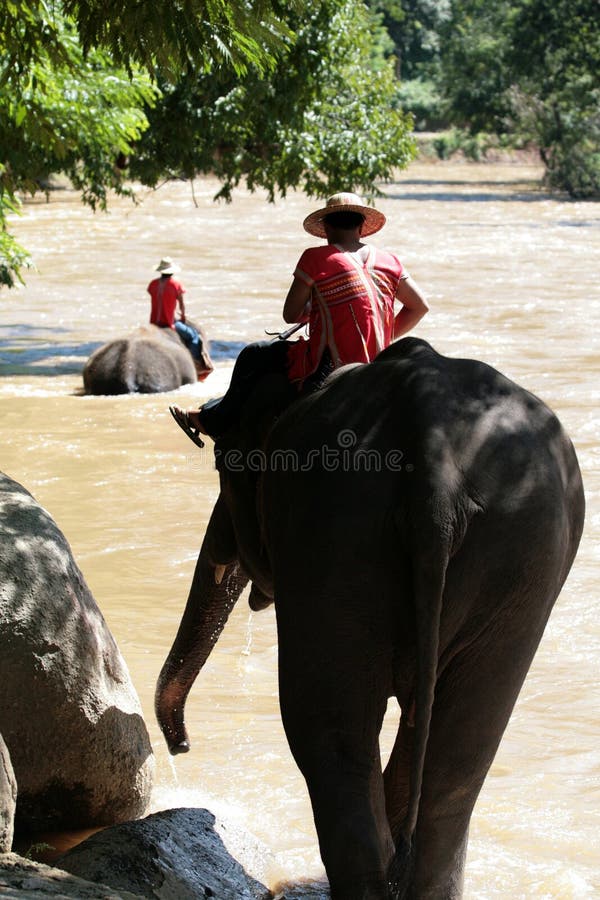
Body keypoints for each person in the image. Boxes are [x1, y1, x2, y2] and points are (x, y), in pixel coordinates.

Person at [169, 192, 429, 447]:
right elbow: (419, 307)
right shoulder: (390, 261)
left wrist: (314, 308)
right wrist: (383, 336)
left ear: (326, 228)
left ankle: (212, 421)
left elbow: (290, 314)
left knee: (254, 353)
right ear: (361, 227)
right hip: (381, 363)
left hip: (329, 364)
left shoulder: (315, 258)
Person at [148, 257, 203, 361]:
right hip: (168, 323)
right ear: (172, 271)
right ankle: (193, 362)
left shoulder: (153, 284)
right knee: (193, 336)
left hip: (154, 323)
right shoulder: (175, 285)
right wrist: (183, 317)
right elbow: (181, 305)